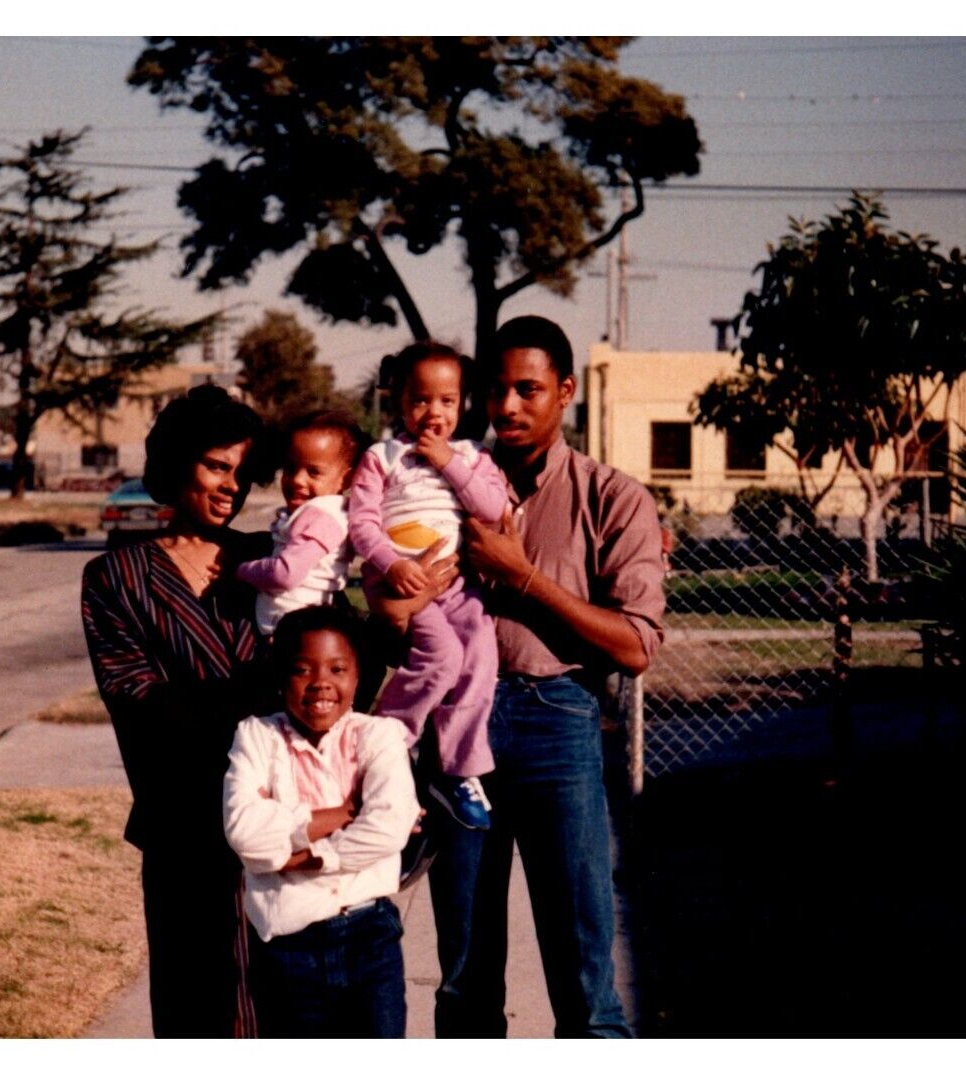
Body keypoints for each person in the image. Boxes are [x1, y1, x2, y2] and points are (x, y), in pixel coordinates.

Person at [424, 315, 666, 1038]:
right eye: (495, 391)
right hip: (454, 730)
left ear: (565, 392)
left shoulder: (612, 498)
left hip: (556, 723)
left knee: (585, 977)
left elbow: (636, 645)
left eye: (528, 389)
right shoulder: (441, 489)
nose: (508, 408)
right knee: (465, 976)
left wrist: (524, 578)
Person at [79, 383, 274, 1039]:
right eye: (217, 466)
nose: (232, 488)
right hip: (184, 837)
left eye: (243, 474)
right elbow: (145, 706)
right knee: (200, 1018)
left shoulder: (270, 563)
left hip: (284, 834)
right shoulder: (116, 580)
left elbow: (334, 676)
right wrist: (269, 694)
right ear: (175, 462)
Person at [222, 605, 421, 1037]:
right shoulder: (257, 737)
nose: (321, 684)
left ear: (357, 675)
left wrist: (311, 857)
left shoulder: (378, 736)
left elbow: (389, 826)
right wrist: (349, 812)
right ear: (281, 677)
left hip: (370, 936)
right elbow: (245, 834)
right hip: (288, 947)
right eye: (302, 670)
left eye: (337, 668)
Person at [348, 342, 509, 831]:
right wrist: (391, 564)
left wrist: (447, 463)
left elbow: (491, 508)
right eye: (420, 400)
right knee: (442, 658)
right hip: (403, 581)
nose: (433, 413)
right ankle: (387, 742)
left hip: (456, 583)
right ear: (400, 402)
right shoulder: (384, 457)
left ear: (462, 404)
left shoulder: (472, 456)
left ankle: (461, 770)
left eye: (446, 401)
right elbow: (362, 523)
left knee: (481, 652)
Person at [237, 410, 368, 636]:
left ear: (346, 479)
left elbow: (285, 574)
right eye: (290, 468)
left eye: (313, 472)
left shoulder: (323, 518)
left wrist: (241, 570)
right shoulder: (318, 513)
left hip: (298, 631)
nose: (298, 480)